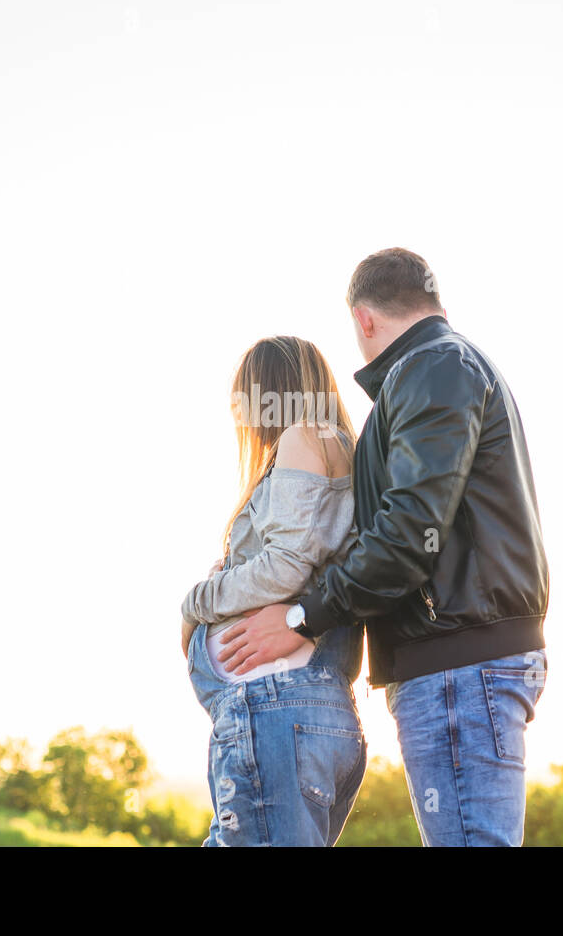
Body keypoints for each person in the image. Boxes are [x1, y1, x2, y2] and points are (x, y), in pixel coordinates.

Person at [215, 247, 550, 846]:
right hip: (457, 661)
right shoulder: (440, 368)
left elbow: (406, 534)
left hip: (456, 663)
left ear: (363, 319)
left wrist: (300, 616)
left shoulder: (433, 367)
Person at [181, 336, 367, 846]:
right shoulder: (332, 447)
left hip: (274, 711)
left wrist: (197, 601)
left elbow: (284, 567)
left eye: (244, 397)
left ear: (272, 391)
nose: (240, 413)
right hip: (296, 713)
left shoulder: (304, 436)